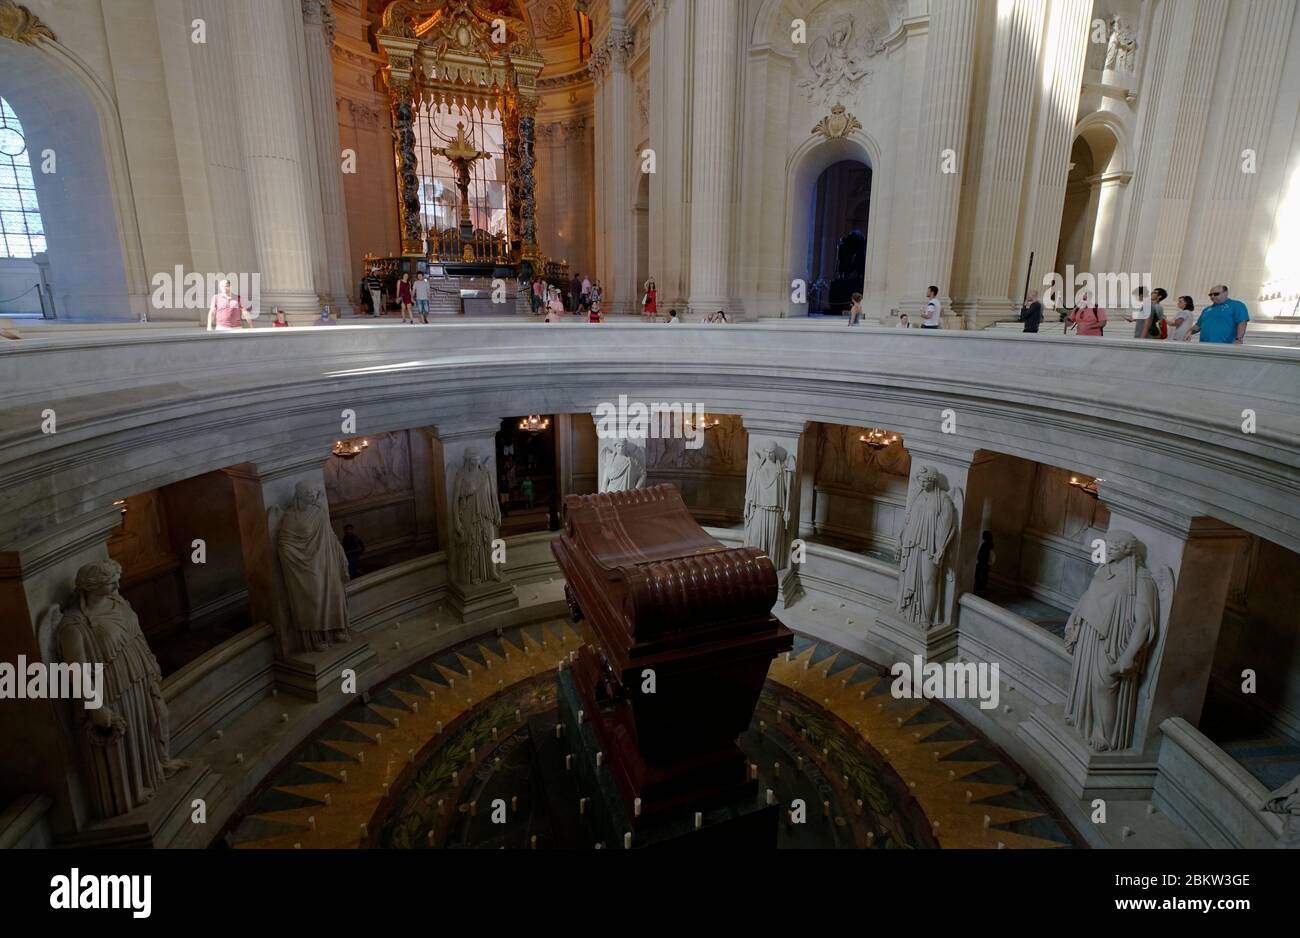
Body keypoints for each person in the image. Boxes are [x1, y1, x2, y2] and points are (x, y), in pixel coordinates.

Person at [975, 531, 995, 595]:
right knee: (983, 576)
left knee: (980, 576)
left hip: (983, 564)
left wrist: (986, 563)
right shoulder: (989, 545)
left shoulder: (985, 545)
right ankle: (981, 589)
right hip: (984, 564)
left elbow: (983, 554)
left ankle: (980, 590)